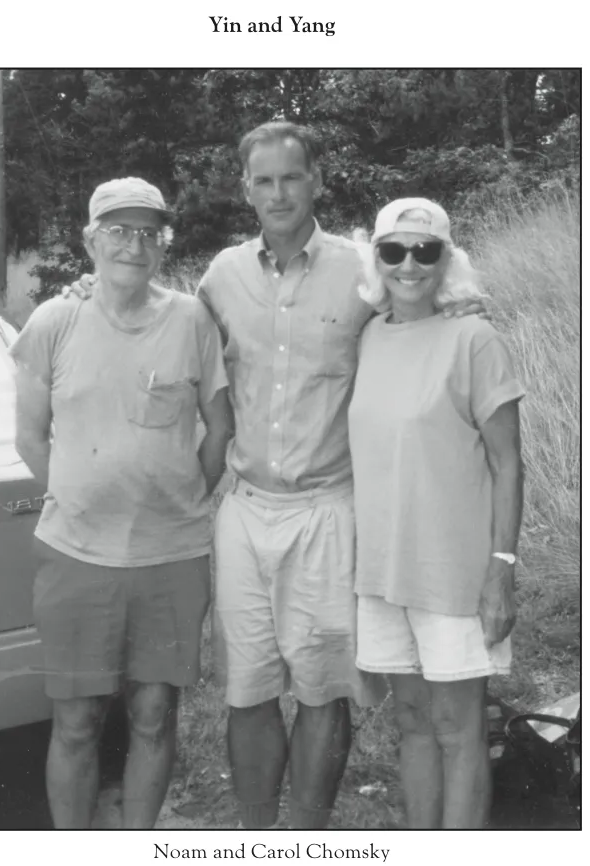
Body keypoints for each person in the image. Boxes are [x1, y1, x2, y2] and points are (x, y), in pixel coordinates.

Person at [66, 123, 487, 829]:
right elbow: (161, 320)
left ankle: (308, 834)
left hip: (330, 507)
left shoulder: (365, 268)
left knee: (323, 690)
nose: (278, 193)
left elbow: (424, 303)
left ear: (317, 179)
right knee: (247, 687)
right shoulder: (219, 277)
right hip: (244, 508)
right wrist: (95, 282)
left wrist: (463, 301)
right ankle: (259, 831)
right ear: (244, 190)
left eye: (291, 177)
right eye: (262, 181)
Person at [11, 177, 233, 829]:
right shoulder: (54, 320)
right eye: (118, 230)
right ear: (89, 241)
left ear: (163, 244)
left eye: (149, 232)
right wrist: (75, 497)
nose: (133, 245)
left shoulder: (191, 318)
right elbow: (29, 434)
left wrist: (190, 498)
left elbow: (218, 427)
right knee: (76, 722)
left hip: (172, 558)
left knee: (153, 714)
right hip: (76, 559)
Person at [349, 198, 525, 829]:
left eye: (426, 251)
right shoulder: (369, 335)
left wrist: (501, 570)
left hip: (454, 573)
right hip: (384, 572)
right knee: (412, 723)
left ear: (447, 259)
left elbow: (509, 464)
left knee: (458, 729)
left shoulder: (474, 338)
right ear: (377, 259)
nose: (410, 264)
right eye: (394, 251)